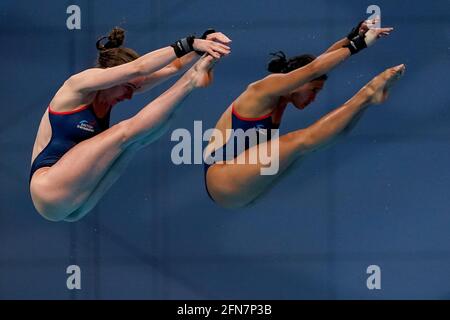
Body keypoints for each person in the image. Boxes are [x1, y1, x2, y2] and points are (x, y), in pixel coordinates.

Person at [29, 27, 231, 222]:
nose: (129, 96)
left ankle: (192, 79)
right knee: (124, 132)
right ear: (113, 76)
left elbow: (171, 67)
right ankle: (191, 81)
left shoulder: (114, 90)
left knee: (139, 140)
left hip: (75, 205)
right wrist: (191, 42)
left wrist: (202, 49)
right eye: (127, 87)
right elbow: (139, 67)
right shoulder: (78, 86)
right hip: (48, 187)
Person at [204, 18, 405, 208]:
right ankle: (368, 94)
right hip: (223, 179)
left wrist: (350, 37)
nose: (313, 98)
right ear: (296, 85)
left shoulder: (282, 96)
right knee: (300, 139)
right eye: (313, 91)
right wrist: (357, 45)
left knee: (318, 143)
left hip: (240, 187)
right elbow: (313, 69)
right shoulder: (264, 88)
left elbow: (316, 67)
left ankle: (367, 101)